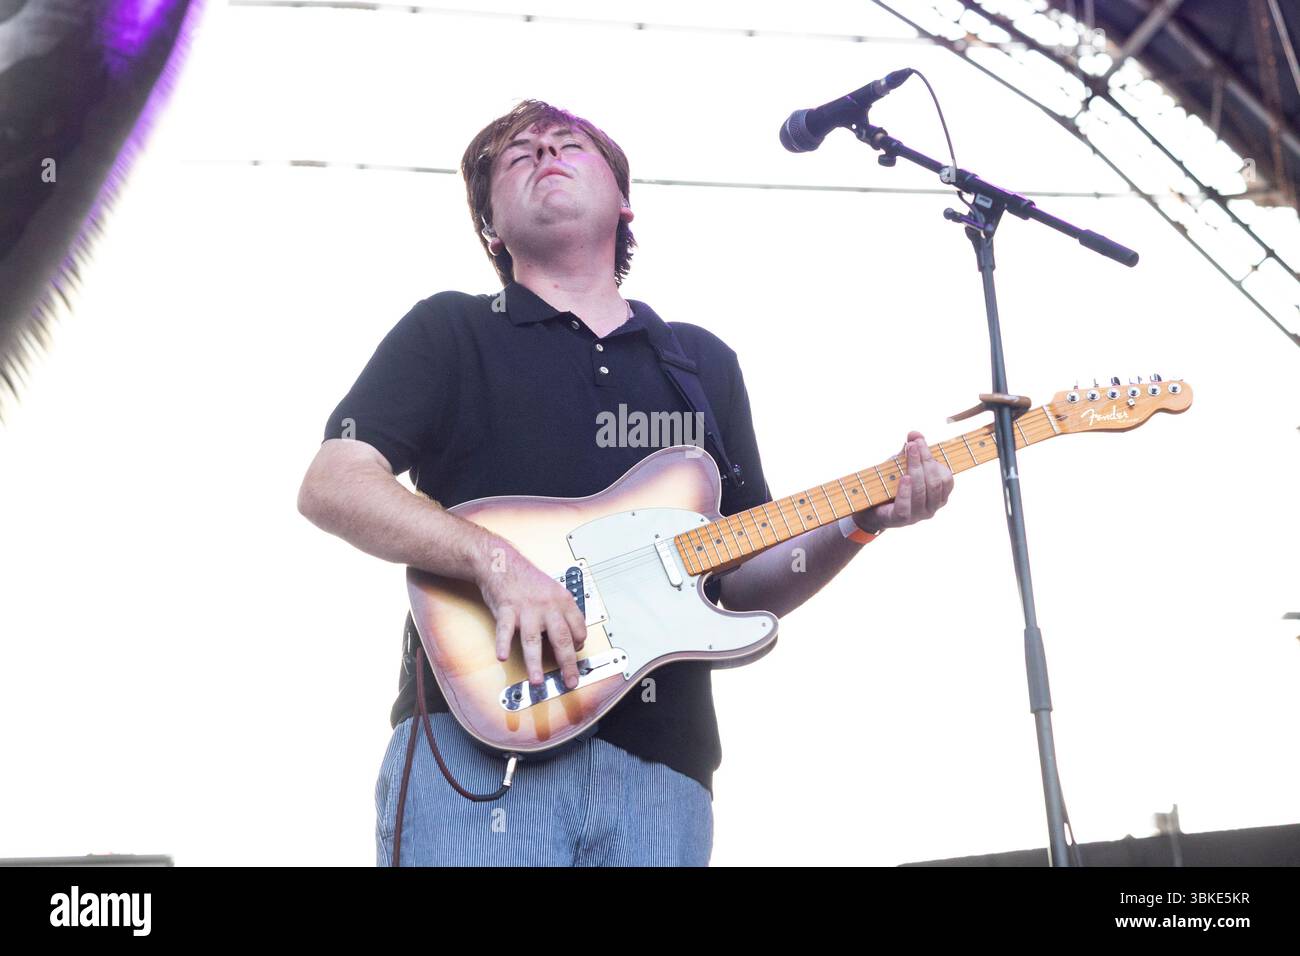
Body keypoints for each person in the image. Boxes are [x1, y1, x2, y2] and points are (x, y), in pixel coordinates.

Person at [296, 100, 954, 867]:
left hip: (662, 773)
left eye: (568, 144)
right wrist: (499, 564)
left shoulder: (702, 366)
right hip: (477, 744)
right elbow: (334, 481)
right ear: (490, 231)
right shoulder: (451, 330)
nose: (544, 153)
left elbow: (739, 585)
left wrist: (859, 523)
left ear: (625, 202)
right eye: (518, 156)